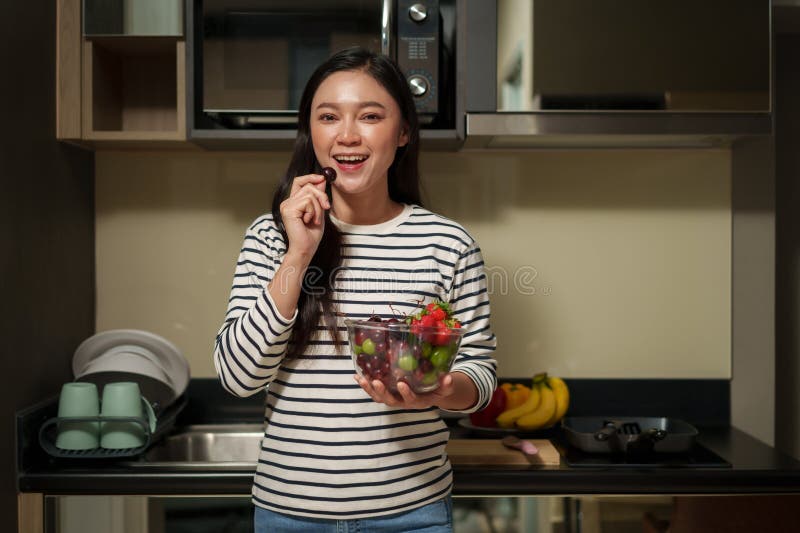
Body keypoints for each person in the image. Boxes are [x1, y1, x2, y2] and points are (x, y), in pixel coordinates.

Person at [213, 46, 497, 532]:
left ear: (403, 131)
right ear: (311, 132)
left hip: (414, 514)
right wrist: (299, 253)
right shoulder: (271, 236)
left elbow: (482, 376)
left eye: (370, 116)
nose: (347, 135)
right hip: (289, 515)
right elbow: (238, 377)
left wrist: (438, 391)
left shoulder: (448, 243)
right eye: (328, 117)